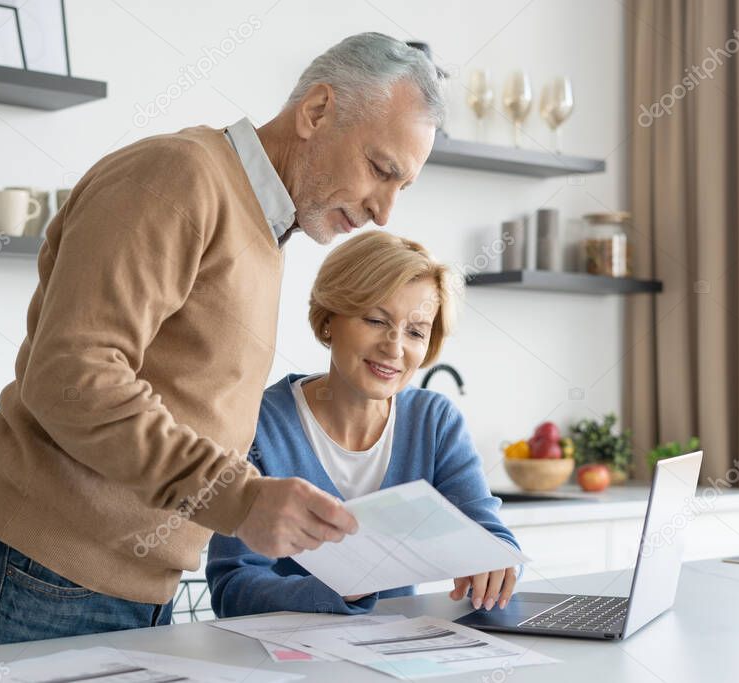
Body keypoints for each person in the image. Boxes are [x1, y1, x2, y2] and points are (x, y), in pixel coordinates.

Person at [0, 33, 445, 650]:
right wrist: (240, 498)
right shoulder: (178, 176)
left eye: (402, 187)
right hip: (41, 577)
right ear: (317, 111)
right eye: (380, 170)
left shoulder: (264, 228)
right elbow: (73, 375)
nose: (385, 211)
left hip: (136, 590)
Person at [206, 231, 520, 617]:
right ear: (328, 321)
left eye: (416, 332)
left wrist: (498, 562)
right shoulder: (259, 423)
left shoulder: (434, 422)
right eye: (375, 319)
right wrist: (336, 592)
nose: (394, 346)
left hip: (398, 662)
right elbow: (232, 588)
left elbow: (490, 535)